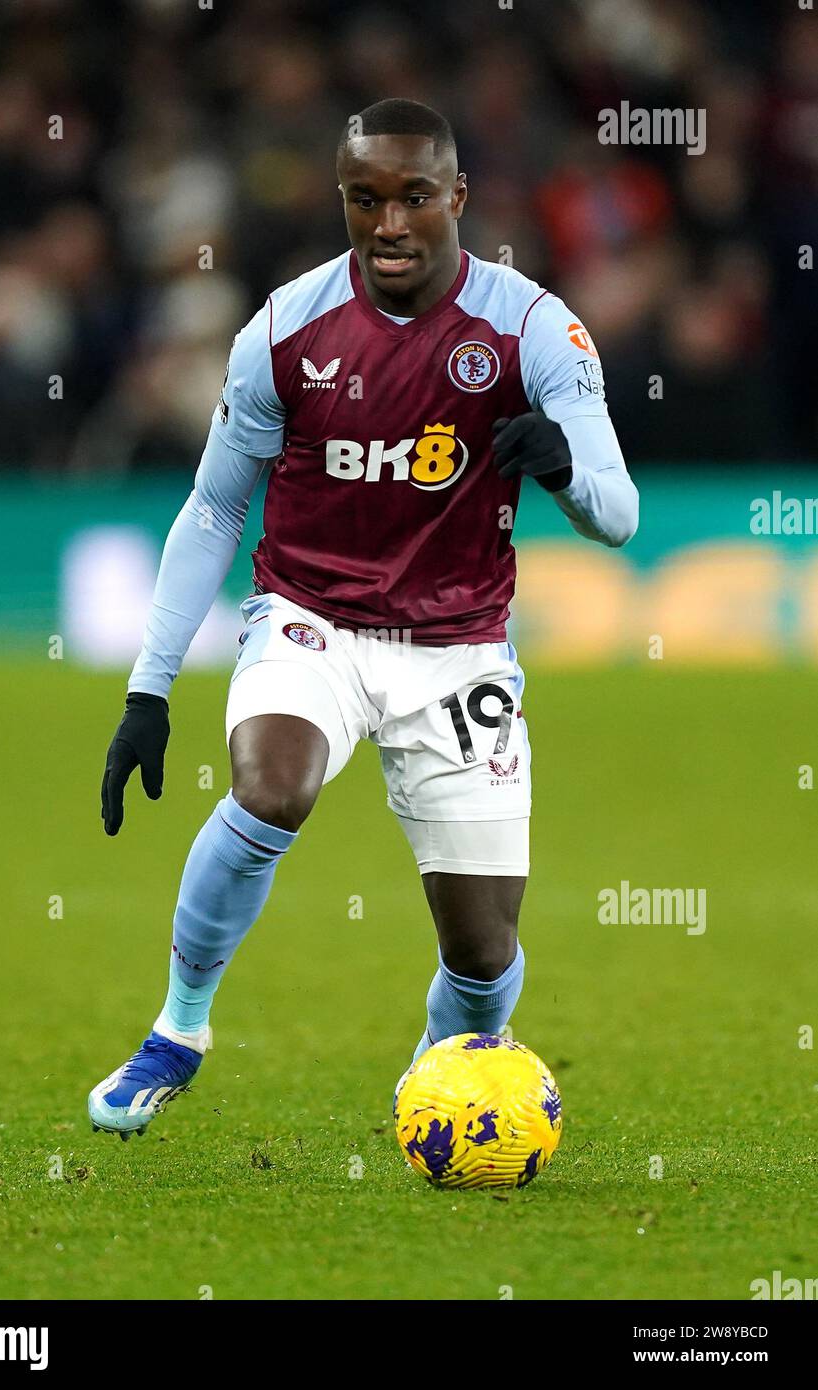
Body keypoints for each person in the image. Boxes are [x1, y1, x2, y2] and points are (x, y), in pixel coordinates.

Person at [89, 99, 638, 1137]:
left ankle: (441, 1071)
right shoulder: (284, 331)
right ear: (344, 200)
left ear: (458, 199)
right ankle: (179, 1028)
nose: (388, 224)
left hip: (460, 646)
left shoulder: (532, 329)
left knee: (482, 951)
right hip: (311, 620)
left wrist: (562, 470)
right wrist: (148, 689)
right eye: (364, 199)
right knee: (271, 785)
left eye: (413, 198)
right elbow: (214, 505)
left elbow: (618, 511)